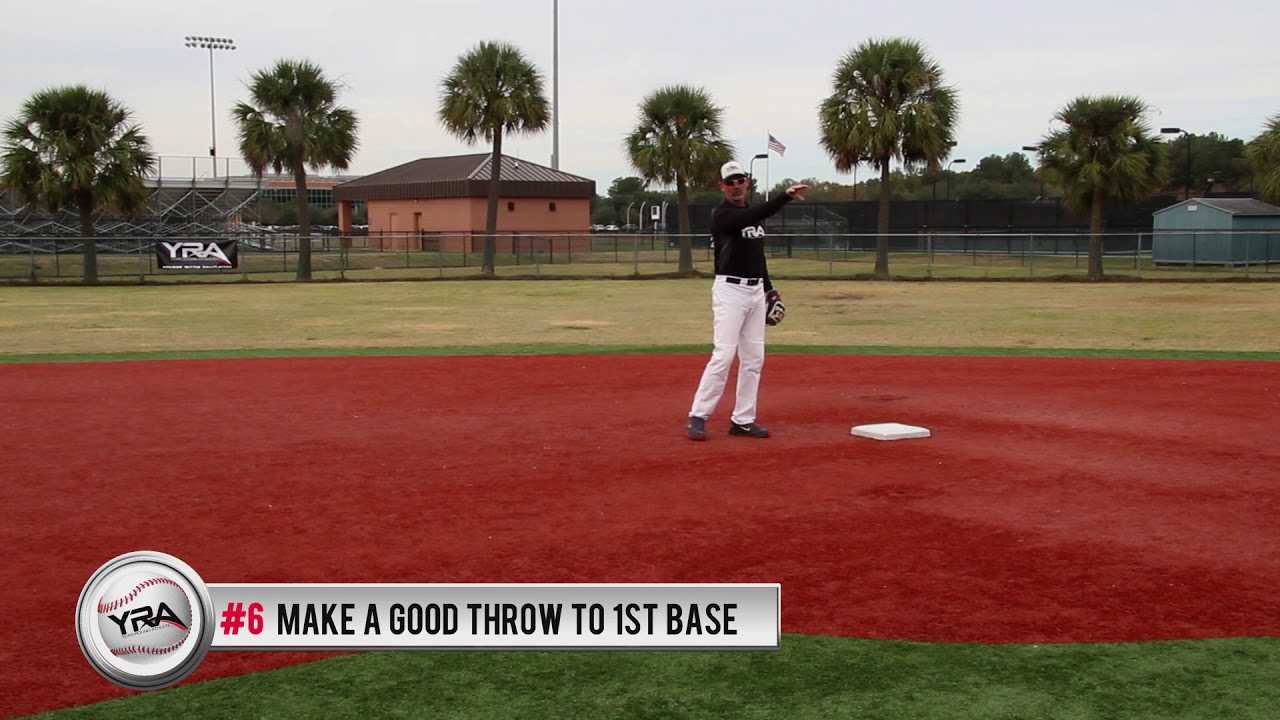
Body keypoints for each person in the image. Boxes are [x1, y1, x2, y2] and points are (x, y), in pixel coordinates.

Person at [686, 160, 808, 441]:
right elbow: (754, 215)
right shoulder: (723, 214)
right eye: (730, 182)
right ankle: (698, 415)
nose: (736, 185)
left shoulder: (751, 215)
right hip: (730, 290)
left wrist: (769, 290)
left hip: (754, 291)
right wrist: (784, 196)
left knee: (754, 358)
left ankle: (743, 419)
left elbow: (757, 258)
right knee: (724, 355)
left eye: (740, 180)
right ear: (722, 187)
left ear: (747, 182)